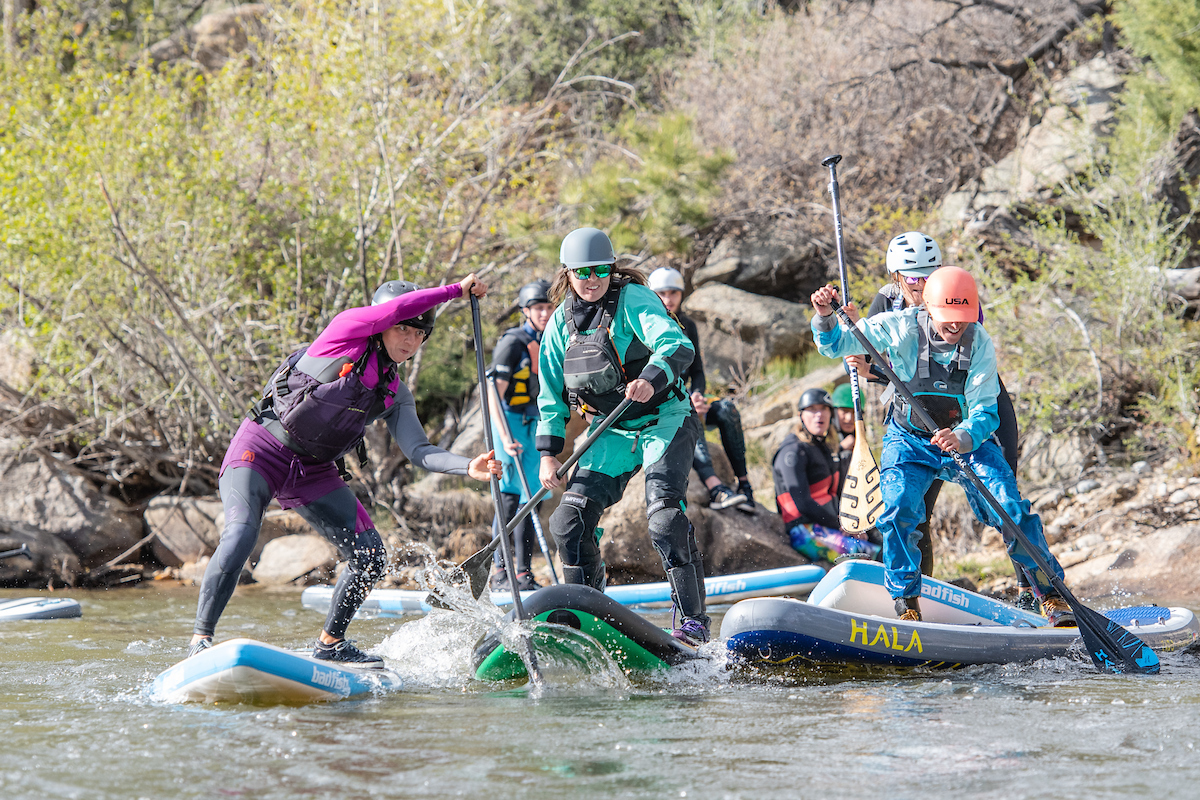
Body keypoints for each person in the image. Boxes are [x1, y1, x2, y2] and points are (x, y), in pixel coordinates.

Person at [188, 275, 502, 666]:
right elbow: (392, 309)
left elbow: (419, 450)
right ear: (382, 323)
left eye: (419, 333)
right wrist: (455, 291)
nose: (409, 339)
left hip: (313, 470)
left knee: (371, 556)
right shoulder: (345, 332)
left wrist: (466, 466)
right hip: (262, 448)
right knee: (240, 535)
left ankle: (331, 643)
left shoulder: (395, 392)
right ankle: (201, 640)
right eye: (402, 327)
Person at [810, 267, 1076, 626]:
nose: (955, 327)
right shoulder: (900, 325)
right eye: (948, 319)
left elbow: (984, 409)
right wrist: (825, 316)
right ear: (929, 308)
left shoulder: (978, 340)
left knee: (1010, 509)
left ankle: (1051, 594)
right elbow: (837, 345)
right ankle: (906, 604)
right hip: (908, 441)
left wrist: (962, 436)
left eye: (962, 319)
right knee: (898, 508)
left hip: (966, 443)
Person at [536, 227, 710, 645]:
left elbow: (676, 346)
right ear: (568, 274)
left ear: (611, 269)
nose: (591, 279)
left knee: (664, 519)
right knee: (567, 521)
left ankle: (693, 622)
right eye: (582, 272)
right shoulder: (559, 323)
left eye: (600, 269)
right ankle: (587, 612)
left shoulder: (634, 299)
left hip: (665, 418)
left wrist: (651, 377)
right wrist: (547, 455)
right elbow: (550, 396)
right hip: (610, 429)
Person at [849, 231, 1036, 611]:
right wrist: (853, 341)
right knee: (914, 513)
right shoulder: (885, 301)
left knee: (1006, 504)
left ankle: (1032, 590)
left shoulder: (956, 298)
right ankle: (917, 599)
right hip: (916, 420)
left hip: (976, 408)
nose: (921, 284)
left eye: (928, 274)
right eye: (913, 277)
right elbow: (876, 362)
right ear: (897, 276)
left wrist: (876, 371)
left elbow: (952, 366)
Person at [648, 267, 754, 513]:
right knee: (687, 413)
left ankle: (745, 485)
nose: (668, 298)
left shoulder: (687, 325)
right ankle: (715, 488)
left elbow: (697, 371)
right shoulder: (645, 326)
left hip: (685, 397)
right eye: (662, 293)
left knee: (727, 409)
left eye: (673, 292)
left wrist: (698, 394)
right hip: (661, 404)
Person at [487, 279, 554, 592]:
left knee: (534, 499)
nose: (544, 313)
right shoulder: (513, 341)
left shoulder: (551, 339)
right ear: (526, 311)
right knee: (510, 499)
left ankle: (523, 573)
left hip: (533, 423)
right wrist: (503, 437)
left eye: (549, 307)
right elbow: (492, 394)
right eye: (538, 308)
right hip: (509, 426)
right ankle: (501, 571)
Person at [772, 388, 879, 563]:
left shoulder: (821, 446)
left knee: (882, 543)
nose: (818, 415)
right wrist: (843, 526)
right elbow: (803, 503)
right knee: (869, 555)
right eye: (812, 410)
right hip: (803, 531)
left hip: (827, 526)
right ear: (801, 415)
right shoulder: (792, 451)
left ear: (831, 413)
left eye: (823, 409)